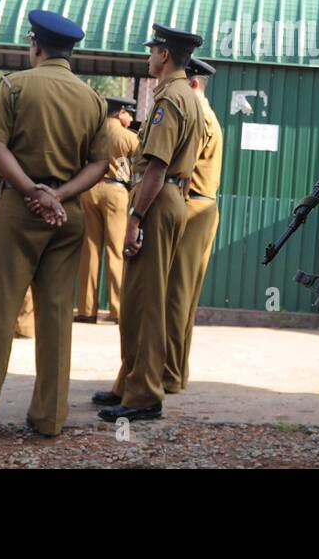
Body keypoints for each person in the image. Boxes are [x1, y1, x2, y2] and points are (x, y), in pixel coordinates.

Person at [0, 10, 109, 441]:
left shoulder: (15, 86)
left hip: (19, 208)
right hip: (67, 215)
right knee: (55, 316)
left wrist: (33, 191)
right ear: (71, 51)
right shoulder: (93, 99)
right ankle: (49, 419)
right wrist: (59, 195)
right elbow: (101, 164)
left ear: (36, 44)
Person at [94, 24, 204, 423]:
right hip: (170, 197)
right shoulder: (186, 96)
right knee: (144, 298)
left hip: (154, 201)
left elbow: (156, 166)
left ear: (164, 55)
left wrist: (135, 218)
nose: (149, 56)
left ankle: (143, 395)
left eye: (152, 50)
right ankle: (129, 383)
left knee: (144, 301)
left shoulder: (169, 99)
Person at [162, 58, 222, 392]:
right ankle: (175, 372)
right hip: (203, 205)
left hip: (192, 205)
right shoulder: (208, 115)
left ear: (194, 84)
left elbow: (182, 170)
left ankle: (168, 374)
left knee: (175, 296)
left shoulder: (199, 117)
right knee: (183, 297)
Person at [75, 96, 137, 324]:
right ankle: (117, 310)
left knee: (89, 251)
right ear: (120, 112)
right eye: (129, 113)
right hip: (116, 192)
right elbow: (137, 170)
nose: (130, 118)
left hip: (88, 190)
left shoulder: (92, 131)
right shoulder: (129, 137)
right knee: (116, 250)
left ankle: (85, 310)